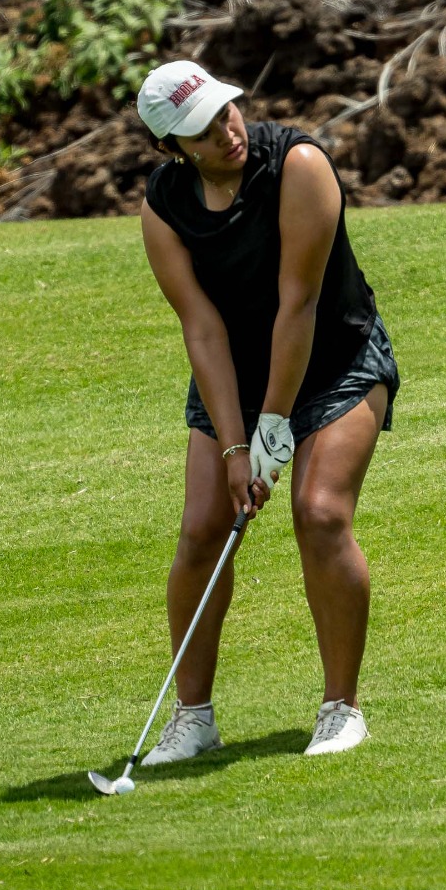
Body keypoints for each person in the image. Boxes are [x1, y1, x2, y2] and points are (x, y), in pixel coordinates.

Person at [132, 59, 399, 762]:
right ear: (173, 147)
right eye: (203, 129)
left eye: (227, 111)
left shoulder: (299, 165)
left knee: (318, 511)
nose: (228, 131)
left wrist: (274, 426)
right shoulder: (164, 207)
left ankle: (341, 708)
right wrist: (234, 446)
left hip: (335, 357)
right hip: (234, 376)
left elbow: (299, 302)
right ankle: (193, 719)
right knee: (201, 531)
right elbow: (202, 330)